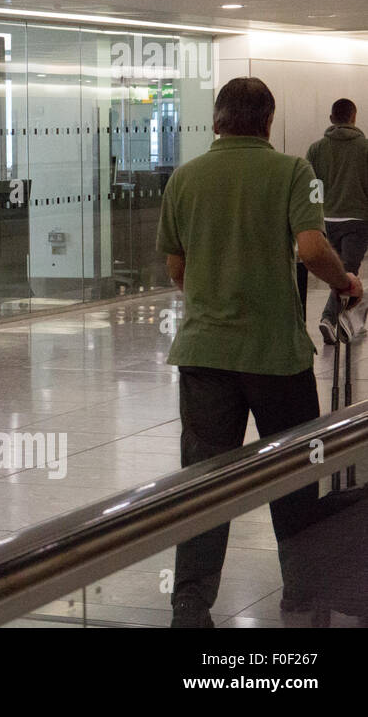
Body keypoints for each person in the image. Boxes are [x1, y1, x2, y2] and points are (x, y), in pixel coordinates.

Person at [156, 76, 363, 628]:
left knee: (203, 482)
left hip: (204, 355)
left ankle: (190, 603)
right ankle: (300, 592)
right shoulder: (293, 170)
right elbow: (313, 247)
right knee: (293, 474)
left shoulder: (185, 176)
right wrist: (345, 283)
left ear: (217, 121)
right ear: (268, 123)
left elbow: (177, 269)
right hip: (276, 356)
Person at [305, 98, 368, 343]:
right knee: (347, 271)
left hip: (326, 219)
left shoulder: (316, 149)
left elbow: (313, 189)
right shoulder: (365, 148)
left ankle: (345, 321)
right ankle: (329, 318)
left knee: (340, 271)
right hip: (358, 219)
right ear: (354, 117)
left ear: (331, 119)